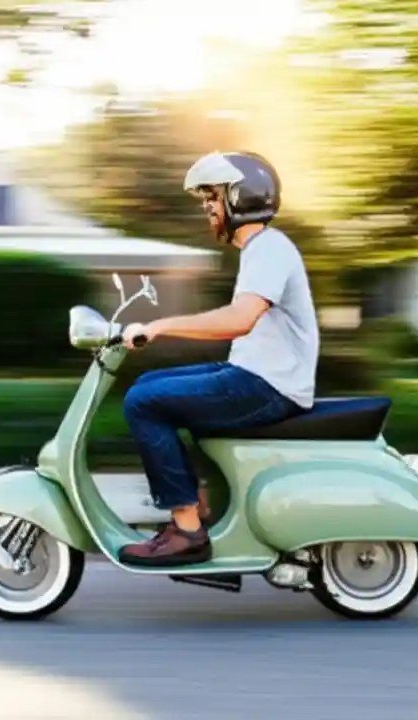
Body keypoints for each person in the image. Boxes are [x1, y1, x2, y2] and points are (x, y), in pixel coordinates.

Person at [117, 150, 320, 567]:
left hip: (269, 386)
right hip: (256, 376)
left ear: (240, 198)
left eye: (213, 197)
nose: (208, 208)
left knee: (143, 403)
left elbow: (240, 320)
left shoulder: (268, 248)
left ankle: (188, 529)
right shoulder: (262, 249)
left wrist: (161, 325)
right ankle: (197, 503)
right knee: (147, 387)